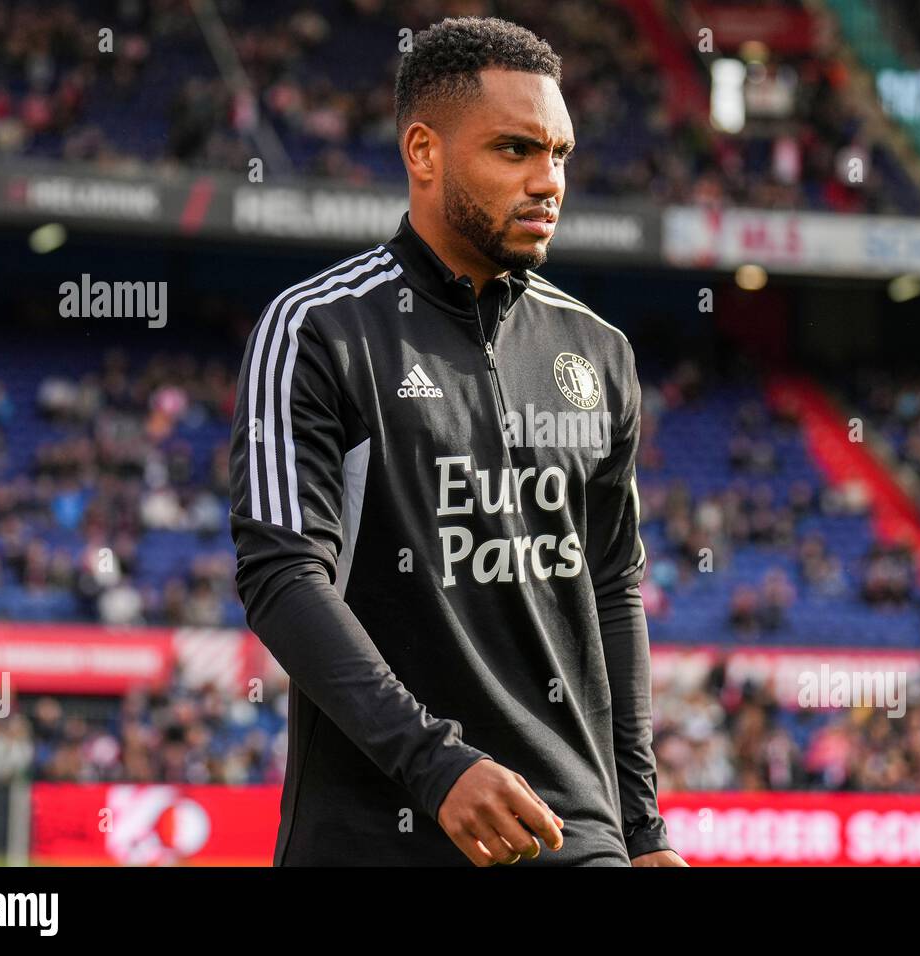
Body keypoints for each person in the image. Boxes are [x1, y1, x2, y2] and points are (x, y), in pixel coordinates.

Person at [229, 15, 683, 866]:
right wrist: (434, 766)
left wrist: (642, 824)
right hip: (378, 835)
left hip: (572, 837)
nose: (548, 180)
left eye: (560, 154)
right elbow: (282, 574)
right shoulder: (318, 330)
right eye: (515, 150)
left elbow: (613, 590)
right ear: (424, 153)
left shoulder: (599, 352)